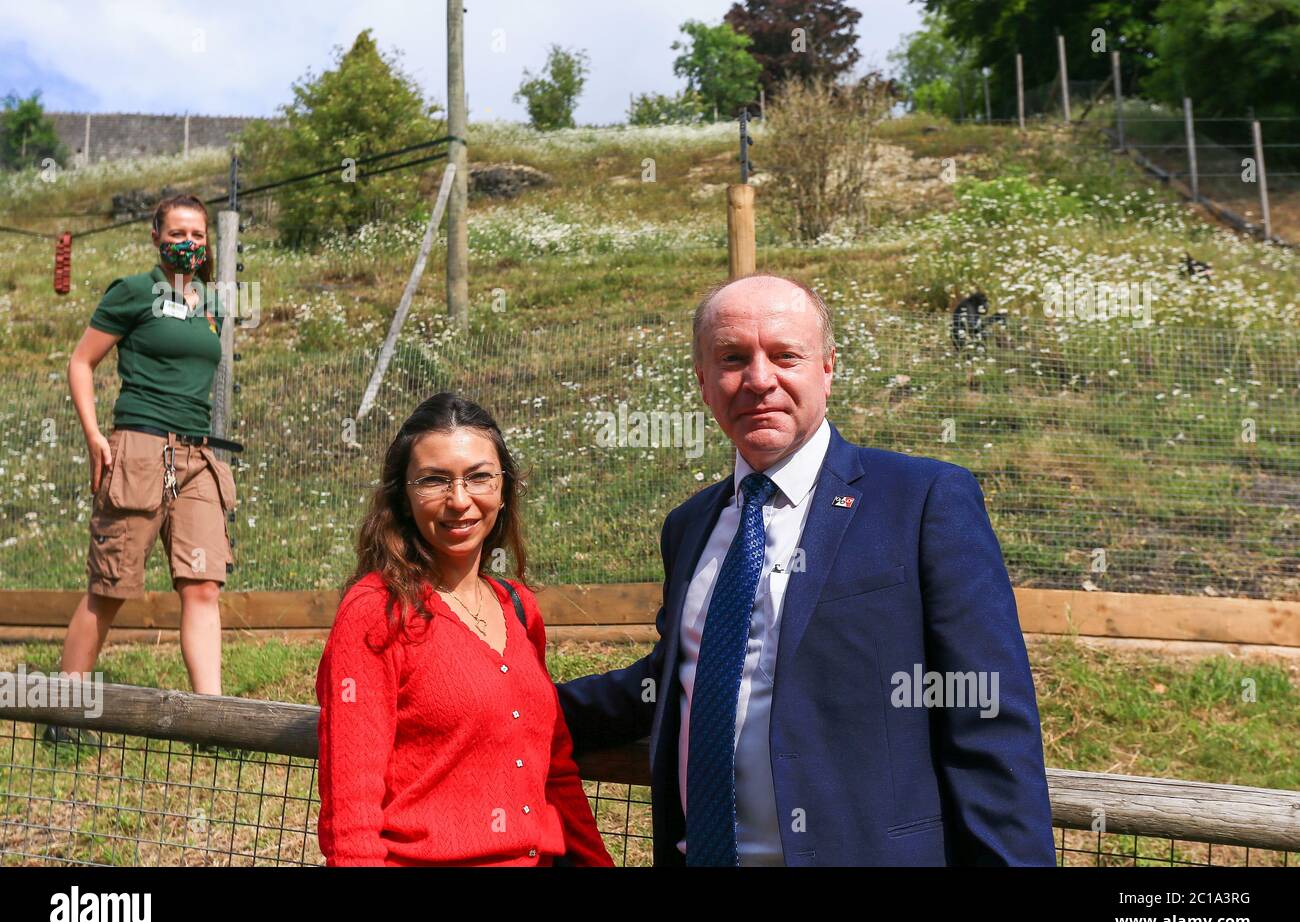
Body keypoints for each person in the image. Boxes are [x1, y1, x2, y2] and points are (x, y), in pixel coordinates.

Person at [557, 273, 1056, 866]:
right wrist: (509, 707)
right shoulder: (689, 526)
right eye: (733, 358)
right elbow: (679, 679)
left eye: (785, 356)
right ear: (702, 381)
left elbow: (989, 714)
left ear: (827, 367)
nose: (759, 379)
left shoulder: (922, 501)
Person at [314, 392, 614, 867]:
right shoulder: (377, 612)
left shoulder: (519, 608)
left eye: (478, 477)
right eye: (434, 480)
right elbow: (350, 807)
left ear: (504, 487)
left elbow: (554, 772)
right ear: (403, 495)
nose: (459, 500)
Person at [53, 194, 238, 743]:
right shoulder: (132, 291)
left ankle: (213, 722)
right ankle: (64, 712)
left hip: (200, 457)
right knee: (111, 586)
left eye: (198, 236)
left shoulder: (213, 302)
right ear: (156, 236)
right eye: (178, 233)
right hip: (139, 448)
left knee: (204, 585)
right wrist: (93, 437)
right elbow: (81, 362)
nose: (189, 243)